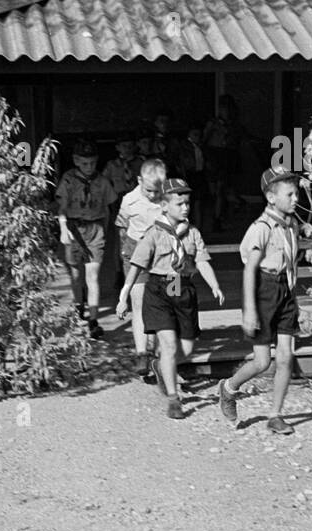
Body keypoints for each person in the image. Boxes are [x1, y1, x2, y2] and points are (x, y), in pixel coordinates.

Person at [117, 178, 223, 420]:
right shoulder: (154, 233)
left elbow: (202, 261)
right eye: (179, 204)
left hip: (182, 288)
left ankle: (161, 365)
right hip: (159, 290)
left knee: (185, 347)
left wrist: (214, 285)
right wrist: (125, 293)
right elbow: (137, 264)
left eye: (187, 203)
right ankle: (174, 399)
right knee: (169, 344)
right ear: (164, 206)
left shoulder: (192, 232)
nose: (185, 208)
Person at [216, 165, 307, 435]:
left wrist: (292, 296)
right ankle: (229, 388)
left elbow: (291, 263)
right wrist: (250, 312)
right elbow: (250, 270)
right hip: (263, 290)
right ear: (271, 197)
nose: (296, 199)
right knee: (262, 362)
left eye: (296, 193)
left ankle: (275, 414)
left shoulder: (291, 225)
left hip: (285, 290)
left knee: (286, 356)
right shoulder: (261, 228)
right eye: (290, 194)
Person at [53, 138, 117, 339]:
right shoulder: (69, 180)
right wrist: (63, 228)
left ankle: (94, 320)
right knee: (75, 275)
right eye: (84, 163)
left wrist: (105, 231)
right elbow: (61, 207)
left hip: (95, 228)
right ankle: (78, 306)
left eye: (92, 163)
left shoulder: (102, 181)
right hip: (73, 227)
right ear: (75, 161)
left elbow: (108, 208)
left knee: (93, 276)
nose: (89, 168)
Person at [115, 158, 168, 381]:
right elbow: (121, 226)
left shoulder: (168, 199)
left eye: (157, 191)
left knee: (158, 302)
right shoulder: (129, 201)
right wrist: (124, 258)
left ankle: (156, 351)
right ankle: (141, 353)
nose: (153, 195)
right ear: (139, 180)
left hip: (161, 252)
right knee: (138, 302)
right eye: (149, 190)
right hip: (135, 249)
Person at [203, 95, 241, 230]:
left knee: (221, 188)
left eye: (228, 108)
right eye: (224, 108)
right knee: (213, 191)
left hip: (226, 156)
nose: (226, 111)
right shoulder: (213, 123)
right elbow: (204, 141)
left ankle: (217, 219)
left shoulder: (233, 125)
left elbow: (236, 140)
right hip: (214, 155)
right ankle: (216, 214)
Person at [176, 125, 208, 229]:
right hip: (188, 176)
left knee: (198, 202)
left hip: (199, 175)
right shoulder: (185, 147)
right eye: (195, 134)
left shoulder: (201, 146)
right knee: (187, 203)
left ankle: (198, 229)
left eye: (199, 135)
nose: (197, 137)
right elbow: (182, 163)